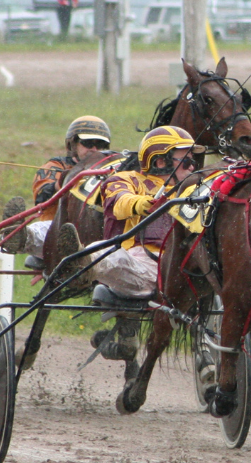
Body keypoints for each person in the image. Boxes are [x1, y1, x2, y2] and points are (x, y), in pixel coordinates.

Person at [56, 125, 202, 361]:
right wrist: (143, 204)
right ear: (161, 161)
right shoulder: (127, 179)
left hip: (183, 269)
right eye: (185, 160)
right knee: (113, 256)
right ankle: (83, 261)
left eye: (193, 160)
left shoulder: (195, 188)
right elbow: (118, 201)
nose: (192, 166)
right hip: (141, 265)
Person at [0, 116, 112, 261]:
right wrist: (61, 183)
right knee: (48, 231)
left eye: (101, 145)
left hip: (97, 230)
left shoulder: (111, 170)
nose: (95, 149)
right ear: (72, 145)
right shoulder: (56, 166)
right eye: (88, 143)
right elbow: (42, 196)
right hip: (57, 226)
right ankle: (17, 236)